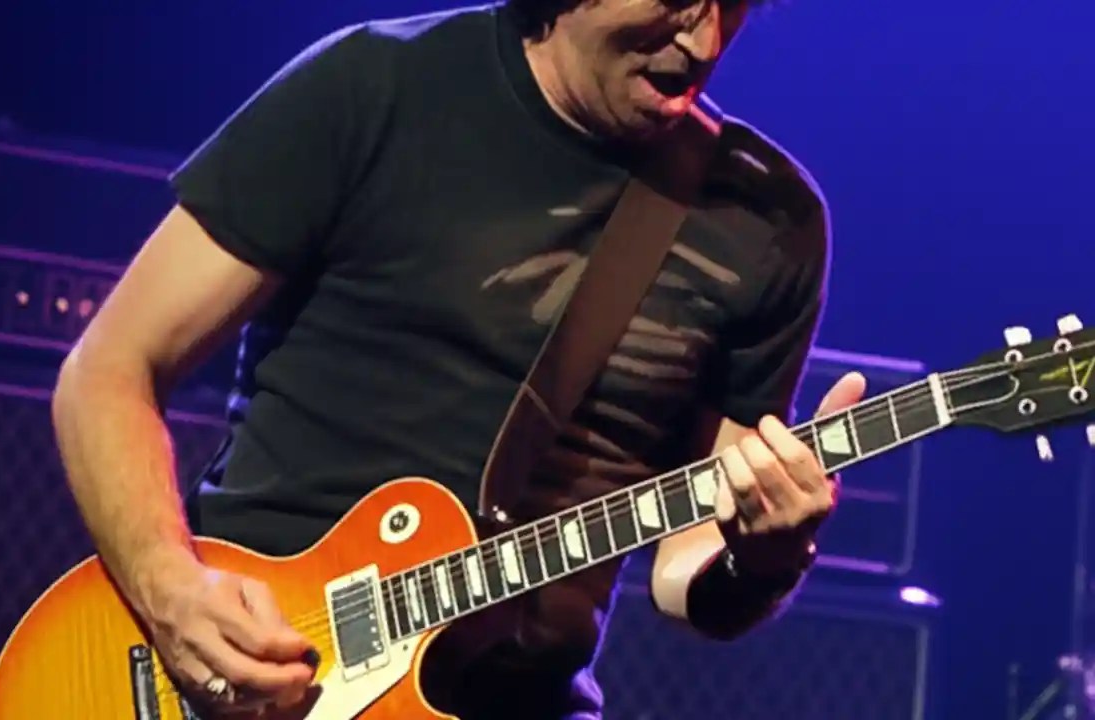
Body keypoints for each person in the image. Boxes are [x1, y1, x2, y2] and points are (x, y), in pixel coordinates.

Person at [50, 0, 866, 717]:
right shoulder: (374, 88)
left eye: (734, 1)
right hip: (254, 676)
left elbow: (686, 571)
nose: (704, 38)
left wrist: (766, 555)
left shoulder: (765, 221)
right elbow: (111, 368)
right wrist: (171, 596)